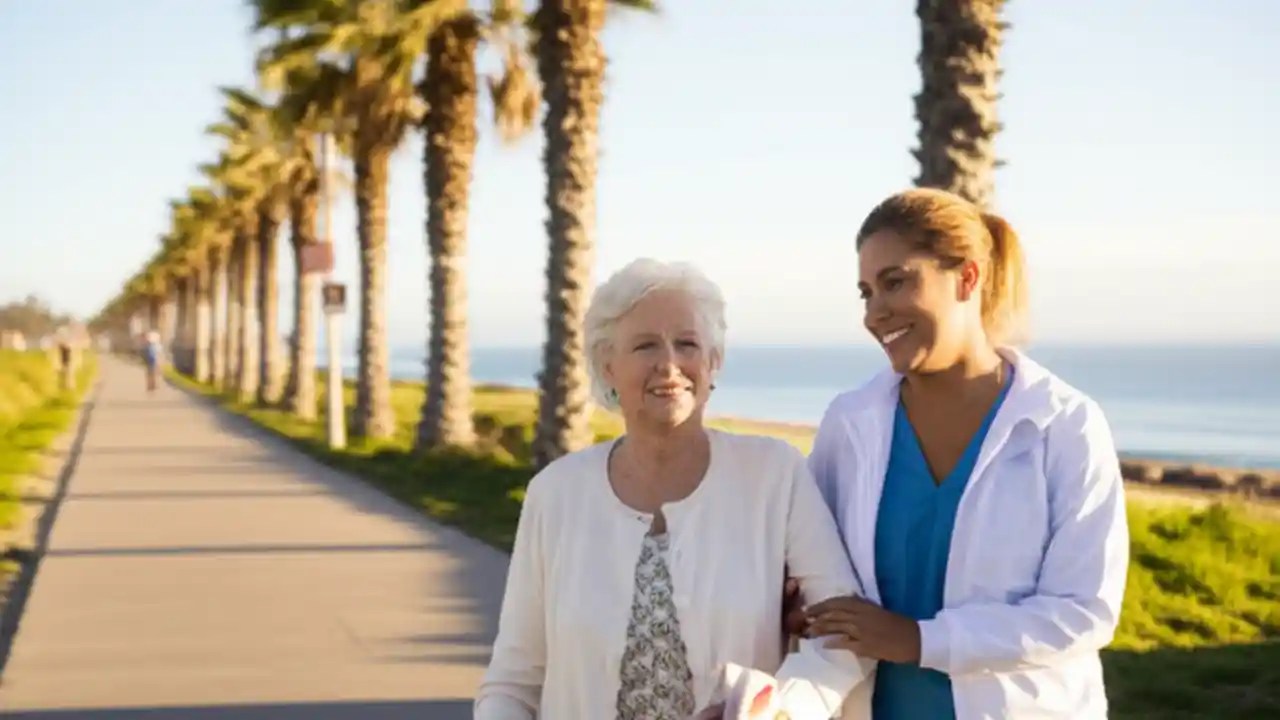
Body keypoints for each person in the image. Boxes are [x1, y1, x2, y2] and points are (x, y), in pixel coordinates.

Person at [475, 259, 875, 719]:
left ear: (713, 362)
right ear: (607, 366)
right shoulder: (555, 494)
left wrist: (774, 711)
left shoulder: (773, 473)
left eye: (687, 344)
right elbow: (515, 679)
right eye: (645, 346)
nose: (669, 364)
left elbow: (845, 634)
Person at [789, 188, 1130, 719]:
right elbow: (813, 571)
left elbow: (1084, 612)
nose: (874, 313)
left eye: (895, 282)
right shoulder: (850, 424)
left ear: (967, 277)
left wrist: (918, 640)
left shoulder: (1064, 424)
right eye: (866, 292)